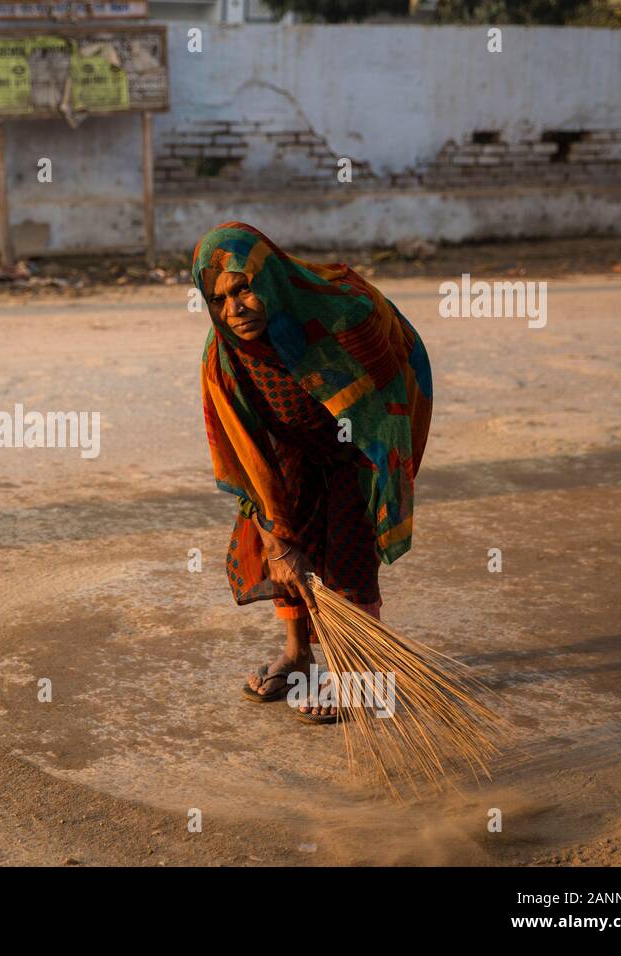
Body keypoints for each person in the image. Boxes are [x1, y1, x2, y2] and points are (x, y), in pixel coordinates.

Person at [194, 222, 432, 723]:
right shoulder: (224, 361)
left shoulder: (346, 321)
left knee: (349, 542)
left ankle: (360, 673)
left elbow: (384, 414)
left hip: (364, 435)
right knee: (286, 538)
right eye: (219, 300)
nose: (233, 310)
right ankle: (298, 653)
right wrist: (278, 541)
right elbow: (245, 459)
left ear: (271, 279)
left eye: (243, 289)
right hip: (290, 441)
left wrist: (376, 486)